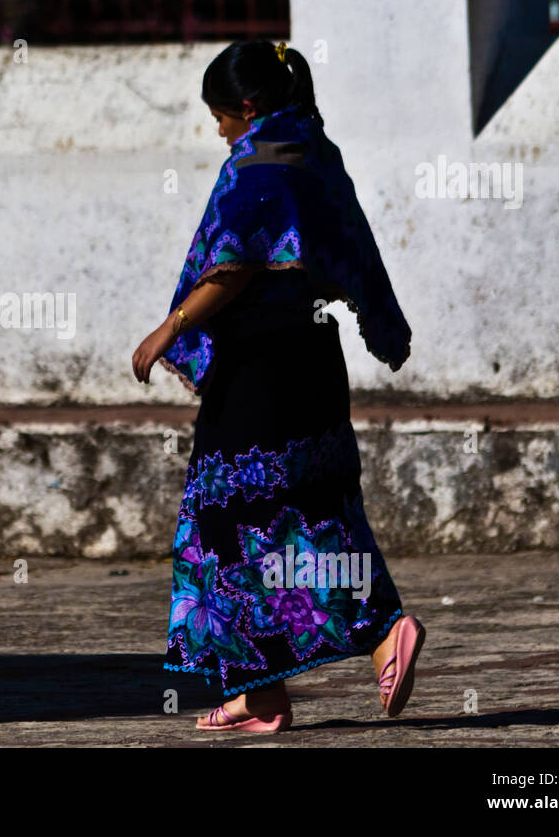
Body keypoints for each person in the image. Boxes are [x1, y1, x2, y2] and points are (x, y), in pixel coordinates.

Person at [131, 40, 424, 732]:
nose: (219, 130)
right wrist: (383, 324)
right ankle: (268, 687)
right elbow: (356, 249)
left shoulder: (257, 171)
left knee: (228, 518)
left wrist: (169, 328)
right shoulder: (317, 156)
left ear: (250, 106)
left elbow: (232, 266)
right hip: (315, 361)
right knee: (316, 509)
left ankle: (372, 634)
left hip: (257, 368)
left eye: (222, 116)